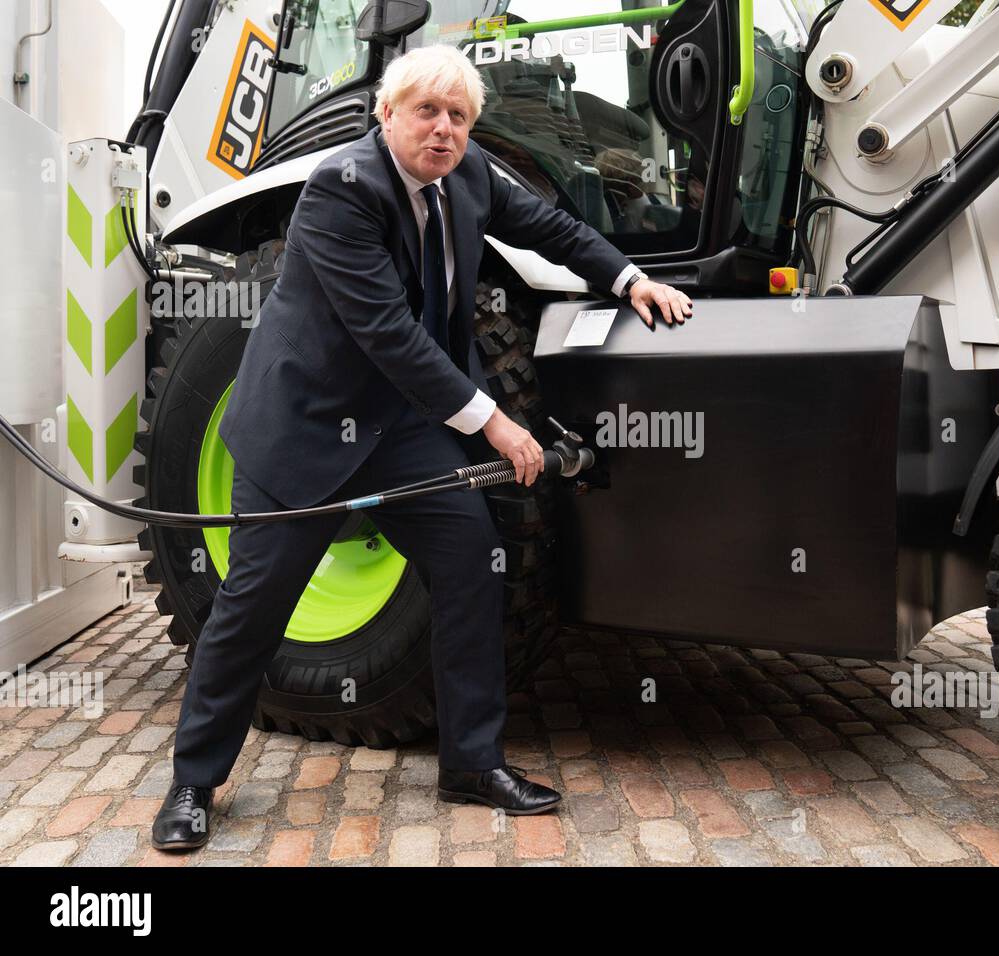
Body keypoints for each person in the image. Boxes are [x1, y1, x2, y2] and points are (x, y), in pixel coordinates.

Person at [151, 43, 693, 851]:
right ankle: (193, 782)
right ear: (387, 114)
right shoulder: (339, 193)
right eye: (428, 113)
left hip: (400, 428)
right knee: (254, 608)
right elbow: (389, 336)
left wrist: (628, 280)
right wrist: (497, 424)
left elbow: (547, 225)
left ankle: (471, 762)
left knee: (472, 559)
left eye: (460, 118)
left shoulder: (468, 176)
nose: (444, 131)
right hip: (303, 432)